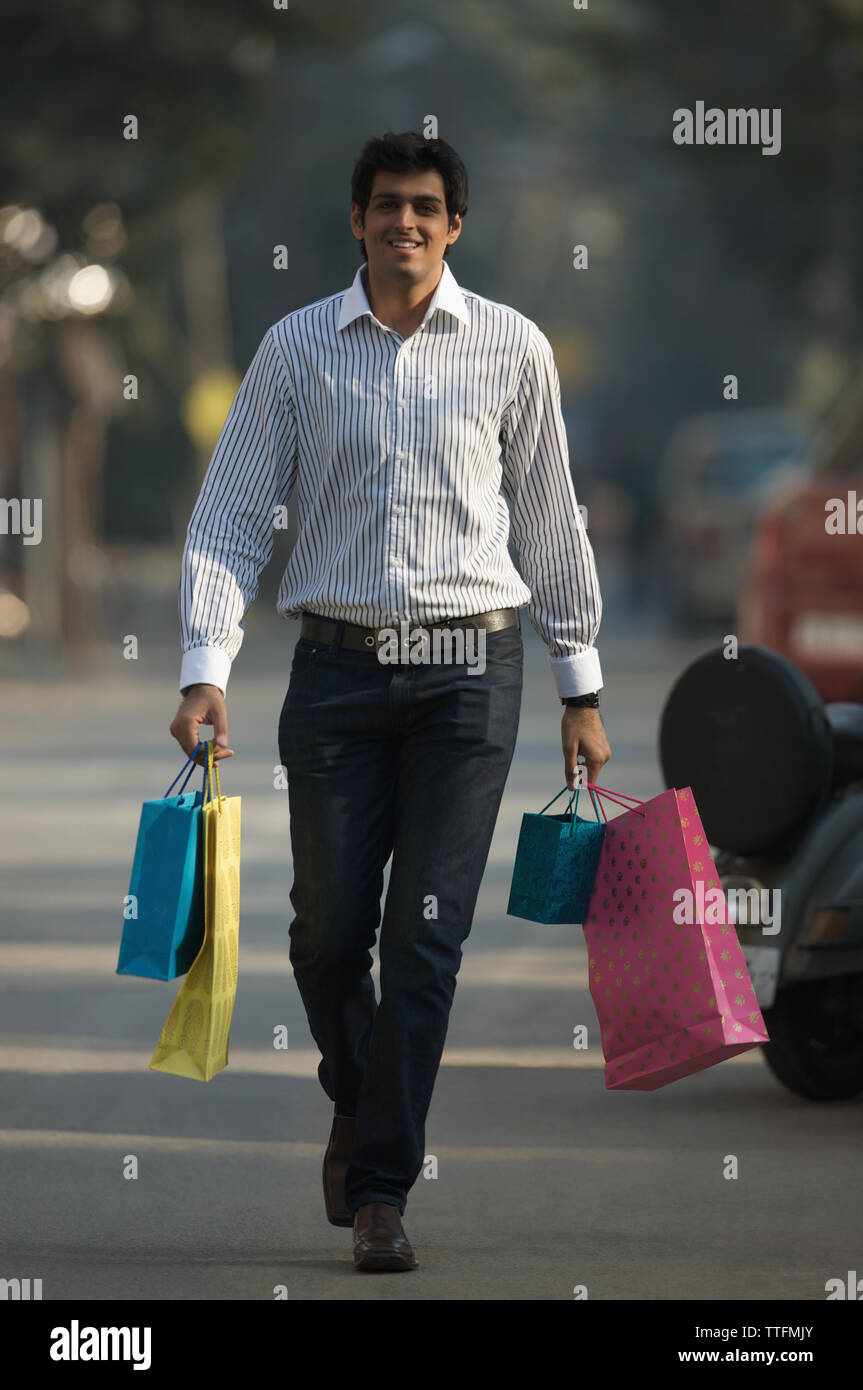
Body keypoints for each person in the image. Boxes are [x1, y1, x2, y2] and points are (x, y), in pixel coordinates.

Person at [170, 130, 611, 1273]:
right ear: (356, 220)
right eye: (384, 205)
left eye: (424, 206)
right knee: (325, 935)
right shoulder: (295, 350)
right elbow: (226, 517)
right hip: (335, 673)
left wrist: (580, 681)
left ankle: (379, 1189)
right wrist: (204, 669)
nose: (403, 222)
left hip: (471, 674)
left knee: (424, 940)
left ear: (453, 224)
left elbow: (552, 523)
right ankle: (355, 1094)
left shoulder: (511, 348)